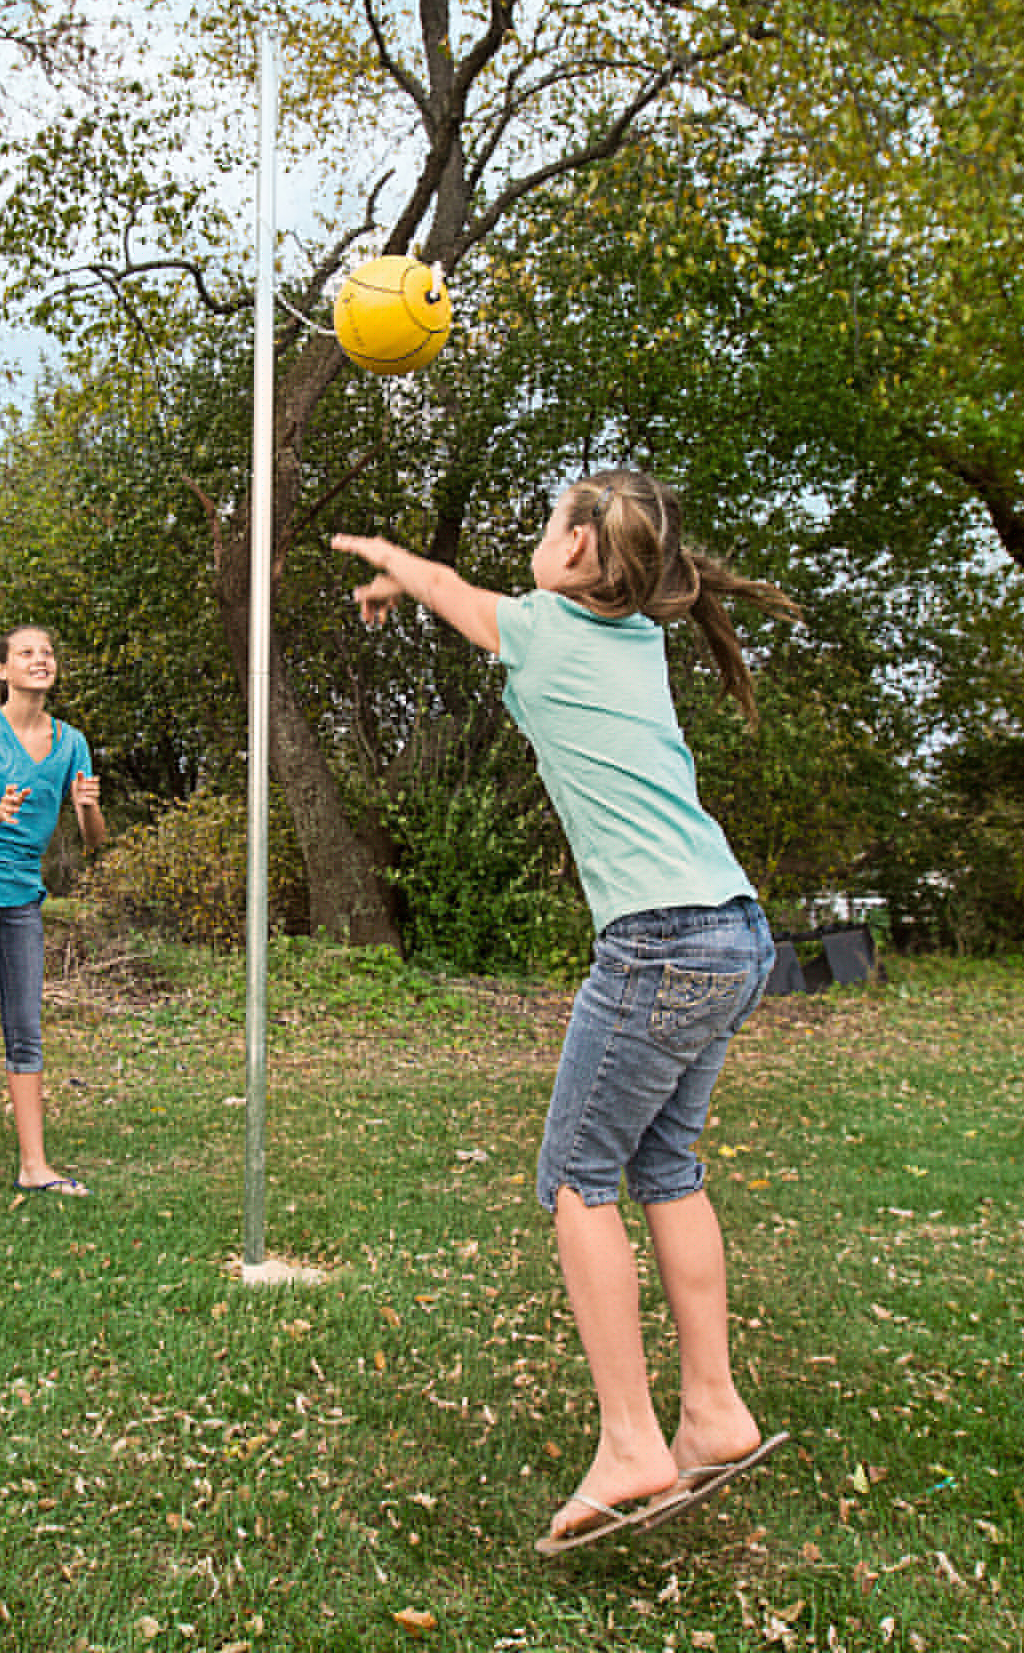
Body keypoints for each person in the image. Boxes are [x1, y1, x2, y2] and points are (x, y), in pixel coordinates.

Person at [333, 469, 800, 1554]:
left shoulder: (543, 628)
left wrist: (388, 566)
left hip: (656, 942)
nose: (536, 539)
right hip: (732, 930)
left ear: (583, 548)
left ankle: (632, 1438)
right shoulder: (637, 638)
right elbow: (466, 593)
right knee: (666, 1165)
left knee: (577, 1180)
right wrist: (414, 585)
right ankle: (712, 1409)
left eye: (549, 524)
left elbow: (451, 585)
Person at [0, 624, 108, 1210]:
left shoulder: (71, 743)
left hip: (22, 898)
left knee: (26, 1031)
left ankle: (34, 1165)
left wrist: (88, 811)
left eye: (48, 652)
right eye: (26, 653)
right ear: (2, 669)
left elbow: (95, 841)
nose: (41, 660)